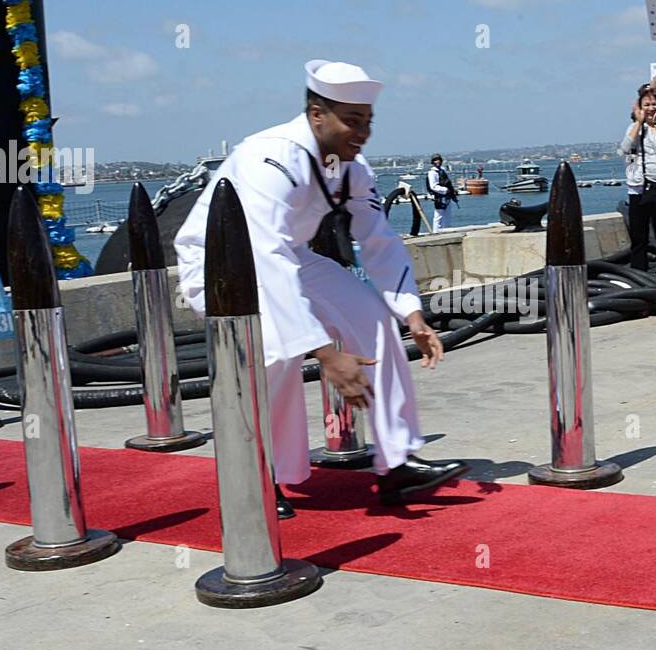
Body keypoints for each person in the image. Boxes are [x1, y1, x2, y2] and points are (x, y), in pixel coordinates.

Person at [174, 59, 465, 512]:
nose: (363, 132)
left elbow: (378, 238)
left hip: (292, 256)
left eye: (368, 122)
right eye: (352, 121)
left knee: (373, 321)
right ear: (316, 115)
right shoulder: (269, 156)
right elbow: (263, 252)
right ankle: (257, 476)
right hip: (222, 265)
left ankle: (396, 463)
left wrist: (411, 314)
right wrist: (325, 353)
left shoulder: (350, 166)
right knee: (276, 355)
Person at [620, 85, 656, 274]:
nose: (651, 108)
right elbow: (625, 147)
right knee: (639, 237)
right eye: (647, 104)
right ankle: (639, 275)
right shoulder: (634, 128)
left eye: (655, 104)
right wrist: (639, 123)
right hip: (638, 187)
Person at [425, 154, 459, 232]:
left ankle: (446, 230)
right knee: (438, 216)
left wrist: (451, 192)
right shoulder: (432, 173)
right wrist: (445, 190)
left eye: (439, 160)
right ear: (433, 162)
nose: (438, 161)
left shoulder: (442, 171)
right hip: (439, 197)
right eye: (436, 160)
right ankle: (436, 232)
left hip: (447, 196)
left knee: (447, 216)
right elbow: (433, 186)